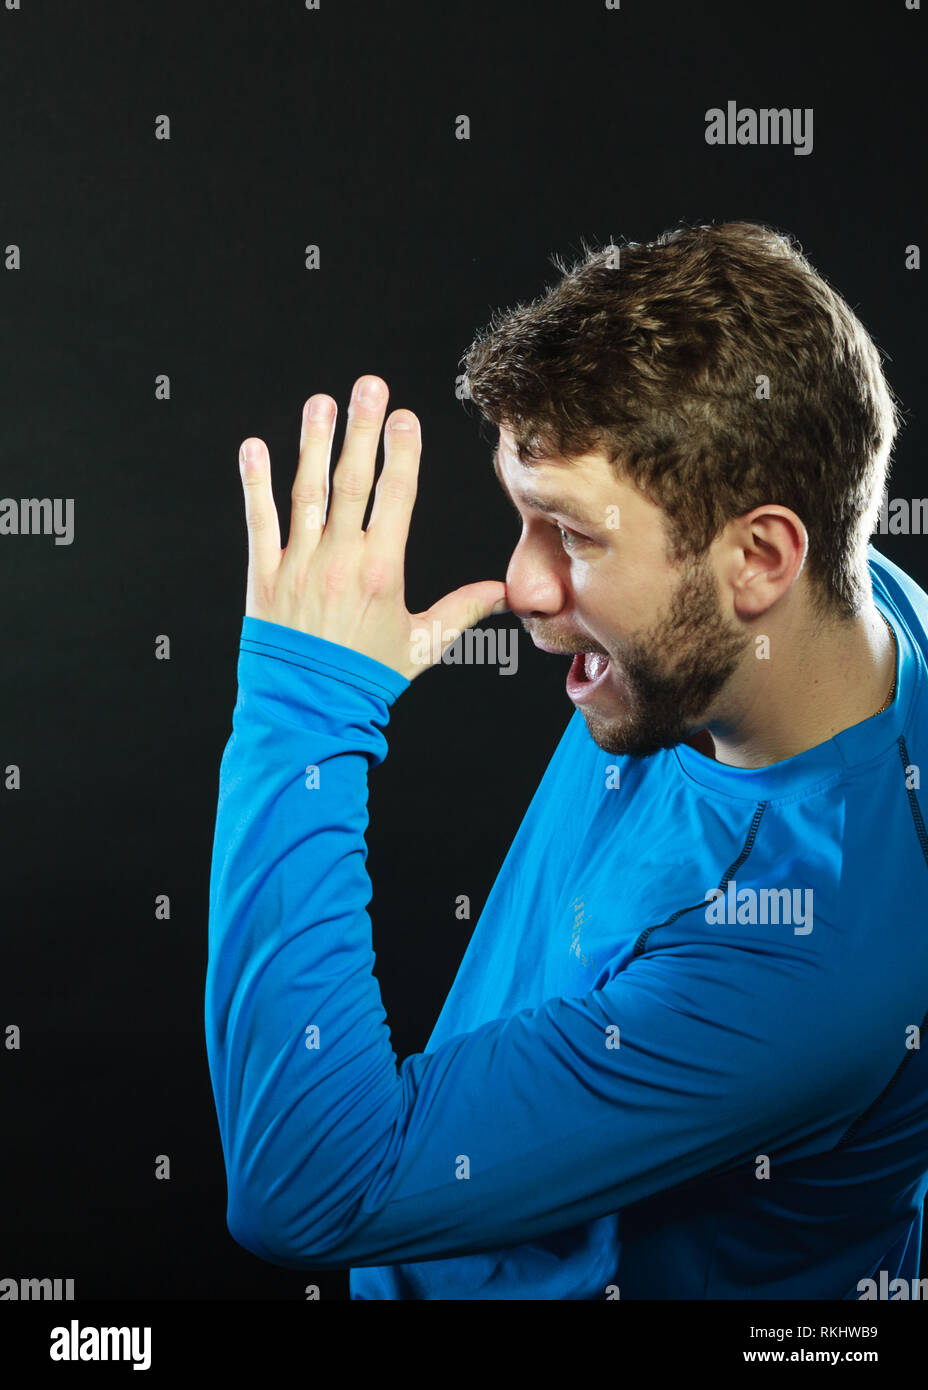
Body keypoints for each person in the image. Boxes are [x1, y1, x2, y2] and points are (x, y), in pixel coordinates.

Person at [205, 221, 928, 1299]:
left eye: (573, 536)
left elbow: (307, 1190)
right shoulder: (840, 608)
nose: (524, 586)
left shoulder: (808, 961)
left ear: (760, 556)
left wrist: (301, 707)